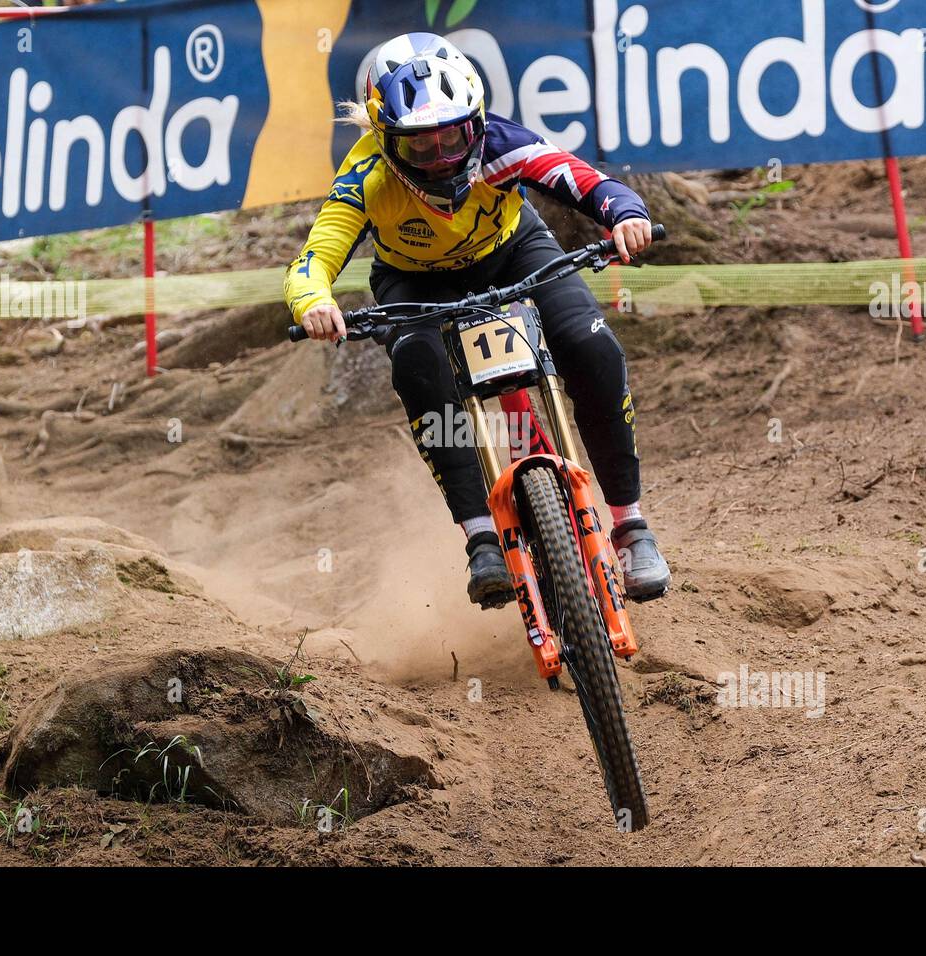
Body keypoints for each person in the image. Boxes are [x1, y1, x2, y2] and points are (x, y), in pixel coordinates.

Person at [284, 31, 670, 608]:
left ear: (478, 122)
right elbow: (313, 259)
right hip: (414, 281)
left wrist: (627, 215)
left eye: (453, 138)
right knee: (418, 365)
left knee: (591, 347)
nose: (442, 158)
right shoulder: (365, 178)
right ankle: (481, 538)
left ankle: (631, 527)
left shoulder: (502, 144)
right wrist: (314, 302)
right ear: (386, 142)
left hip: (514, 252)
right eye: (421, 147)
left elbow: (589, 183)